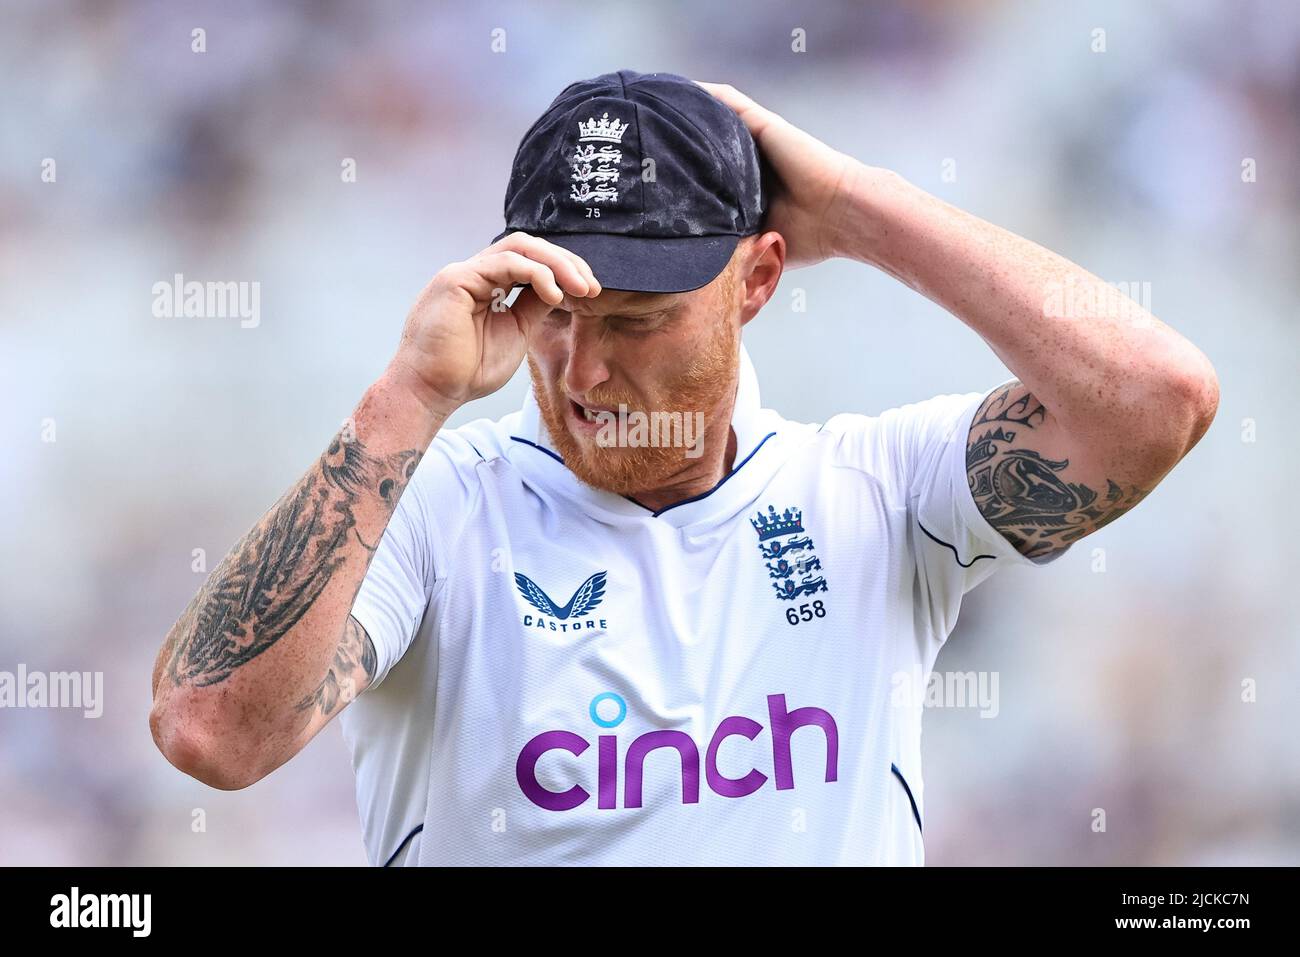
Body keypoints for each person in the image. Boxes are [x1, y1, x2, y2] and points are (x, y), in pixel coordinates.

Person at [149, 69, 1218, 865]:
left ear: (758, 279)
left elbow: (1155, 401)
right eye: (558, 316)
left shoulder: (879, 493)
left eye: (640, 322)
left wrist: (852, 207)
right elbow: (208, 732)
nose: (587, 372)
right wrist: (408, 397)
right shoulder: (436, 507)